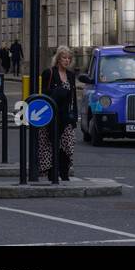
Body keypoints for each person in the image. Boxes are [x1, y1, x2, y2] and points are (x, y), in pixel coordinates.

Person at [39, 46, 78, 181]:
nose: (66, 60)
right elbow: (44, 94)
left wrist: (74, 117)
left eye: (69, 58)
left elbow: (73, 97)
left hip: (66, 116)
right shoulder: (49, 73)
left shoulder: (71, 76)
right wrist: (60, 92)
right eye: (64, 58)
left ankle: (64, 172)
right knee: (50, 145)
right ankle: (52, 173)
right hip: (52, 116)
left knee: (67, 144)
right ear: (58, 59)